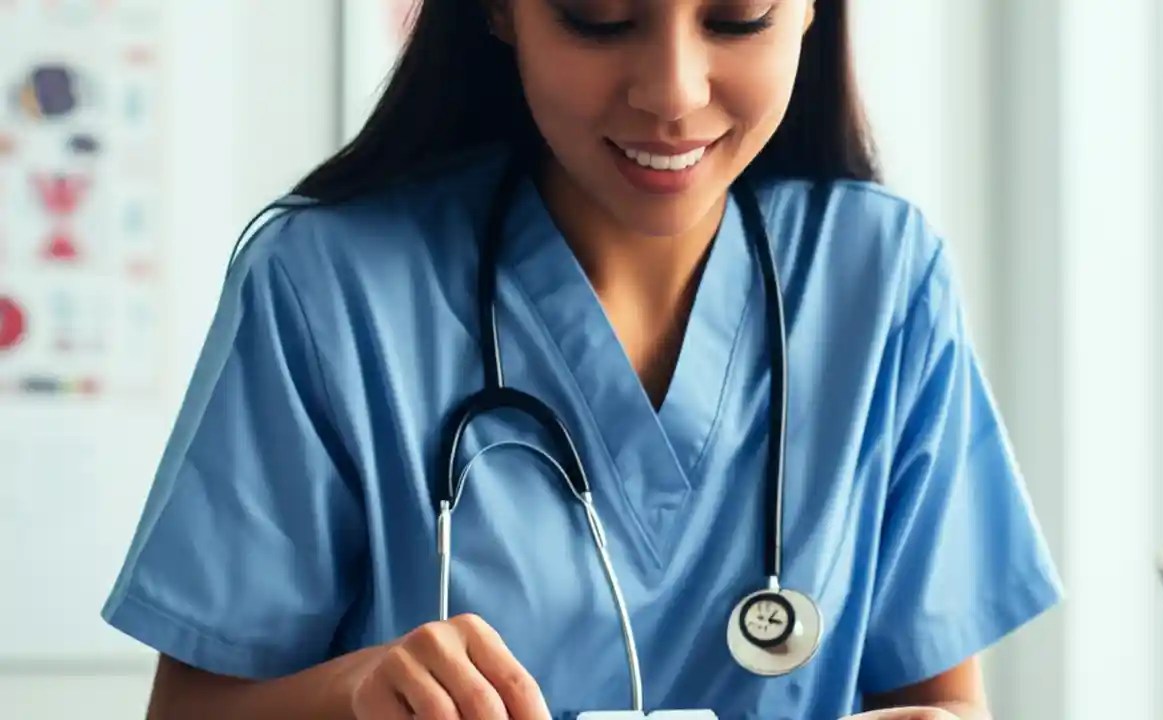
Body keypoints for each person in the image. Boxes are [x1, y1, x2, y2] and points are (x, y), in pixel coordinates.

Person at [101, 0, 1063, 718]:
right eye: (600, 19)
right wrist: (356, 692)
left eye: (739, 17)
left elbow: (939, 703)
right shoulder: (328, 288)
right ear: (500, 12)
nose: (673, 93)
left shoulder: (881, 277)